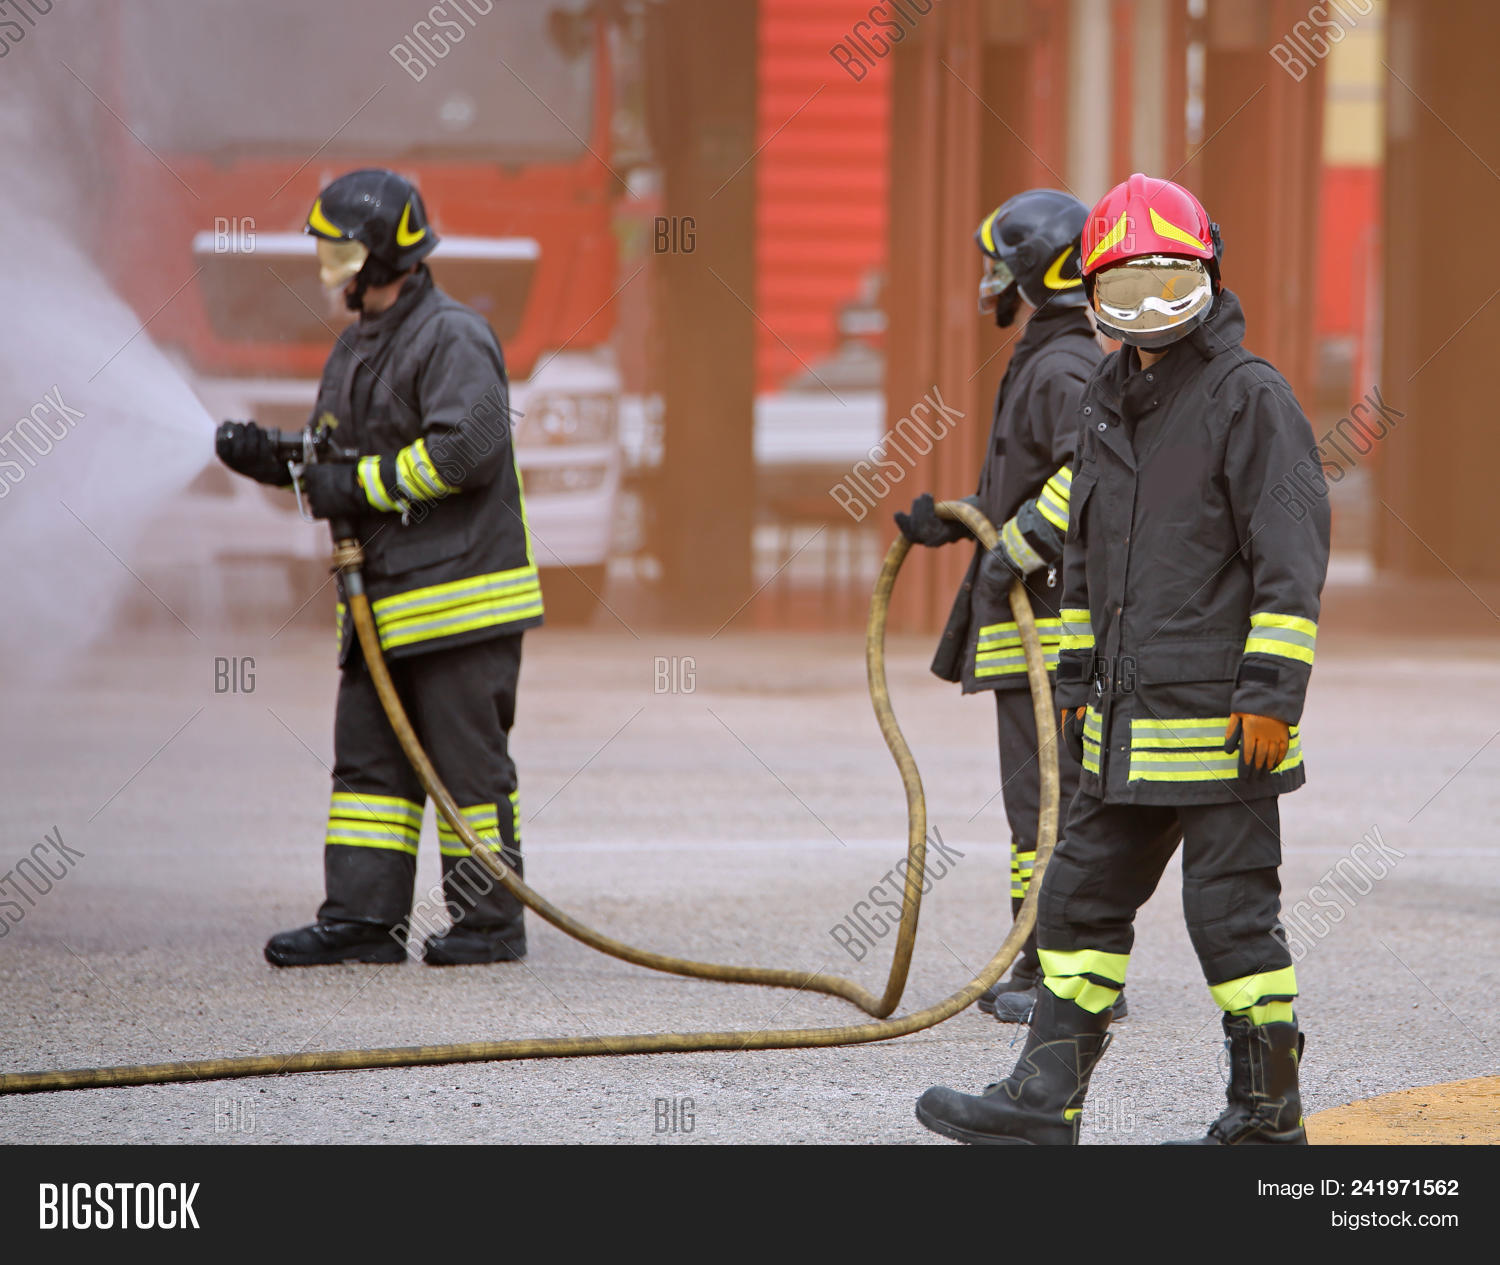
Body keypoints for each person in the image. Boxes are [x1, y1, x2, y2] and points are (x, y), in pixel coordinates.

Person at [916, 173, 1331, 1144]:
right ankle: (1042, 1098)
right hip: (1116, 719)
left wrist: (1272, 692)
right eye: (1123, 286)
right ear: (1092, 290)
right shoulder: (1110, 393)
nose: (1144, 305)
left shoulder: (1249, 398)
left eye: (1163, 280)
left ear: (1205, 272)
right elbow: (1090, 561)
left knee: (1232, 923)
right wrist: (1070, 683)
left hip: (1226, 726)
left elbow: (1290, 557)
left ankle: (1268, 1111)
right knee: (1075, 900)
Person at [215, 168, 543, 967]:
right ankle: (364, 920)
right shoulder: (361, 344)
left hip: (459, 603)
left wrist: (349, 483)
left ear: (384, 255)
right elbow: (343, 457)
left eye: (340, 255)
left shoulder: (450, 335)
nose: (329, 272)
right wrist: (276, 461)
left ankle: (490, 923)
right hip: (382, 609)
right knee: (368, 776)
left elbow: (465, 452)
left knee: (468, 771)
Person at [896, 189, 1107, 1022]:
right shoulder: (1048, 355)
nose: (988, 281)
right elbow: (1026, 483)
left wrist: (1012, 551)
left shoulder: (1062, 365)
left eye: (999, 266)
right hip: (1034, 630)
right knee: (1039, 803)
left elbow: (1082, 477)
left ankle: (1063, 971)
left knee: (1049, 804)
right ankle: (1043, 957)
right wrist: (953, 521)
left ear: (1034, 272)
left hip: (1049, 629)